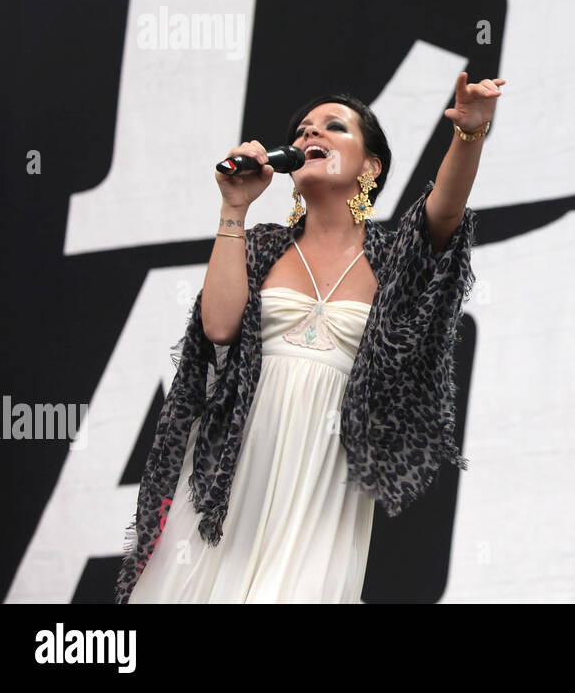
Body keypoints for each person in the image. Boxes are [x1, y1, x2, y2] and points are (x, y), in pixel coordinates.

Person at [118, 72, 505, 603]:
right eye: (301, 131)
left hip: (326, 471)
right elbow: (219, 327)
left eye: (333, 127)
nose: (309, 136)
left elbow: (444, 212)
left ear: (371, 167)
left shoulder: (393, 258)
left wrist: (469, 134)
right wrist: (235, 207)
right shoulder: (261, 246)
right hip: (240, 454)